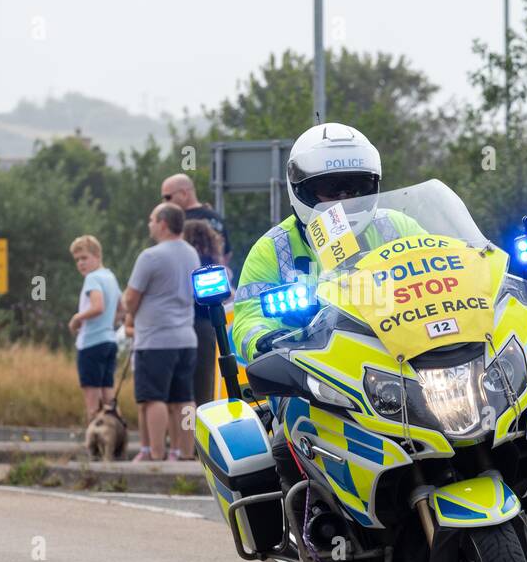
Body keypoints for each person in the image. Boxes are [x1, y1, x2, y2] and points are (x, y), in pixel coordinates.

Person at [231, 122, 420, 363]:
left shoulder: (398, 227)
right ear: (302, 189)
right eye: (331, 189)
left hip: (400, 357)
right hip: (310, 370)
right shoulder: (273, 248)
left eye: (356, 188)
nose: (344, 199)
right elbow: (250, 315)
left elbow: (445, 271)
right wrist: (265, 339)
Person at [123, 203, 201, 461]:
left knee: (153, 397)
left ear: (163, 224)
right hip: (186, 337)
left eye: (152, 220)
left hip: (155, 339)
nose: (149, 224)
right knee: (184, 399)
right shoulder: (191, 253)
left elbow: (131, 298)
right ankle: (184, 453)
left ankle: (156, 454)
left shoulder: (150, 256)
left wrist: (129, 313)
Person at [68, 235, 123, 421]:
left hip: (91, 342)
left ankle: (96, 445)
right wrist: (110, 322)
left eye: (84, 258)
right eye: (77, 260)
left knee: (92, 402)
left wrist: (77, 318)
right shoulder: (110, 277)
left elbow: (97, 306)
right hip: (109, 340)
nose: (80, 263)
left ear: (97, 256)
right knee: (109, 397)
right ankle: (116, 438)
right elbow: (122, 308)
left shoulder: (92, 278)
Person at [182, 218, 225, 408]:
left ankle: (187, 430)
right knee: (205, 382)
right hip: (209, 325)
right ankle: (200, 429)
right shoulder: (213, 265)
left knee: (188, 386)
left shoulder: (188, 264)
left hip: (191, 324)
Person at [161, 173, 232, 266]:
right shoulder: (214, 216)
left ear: (183, 193)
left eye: (167, 197)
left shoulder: (176, 220)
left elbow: (226, 253)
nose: (165, 202)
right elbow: (227, 254)